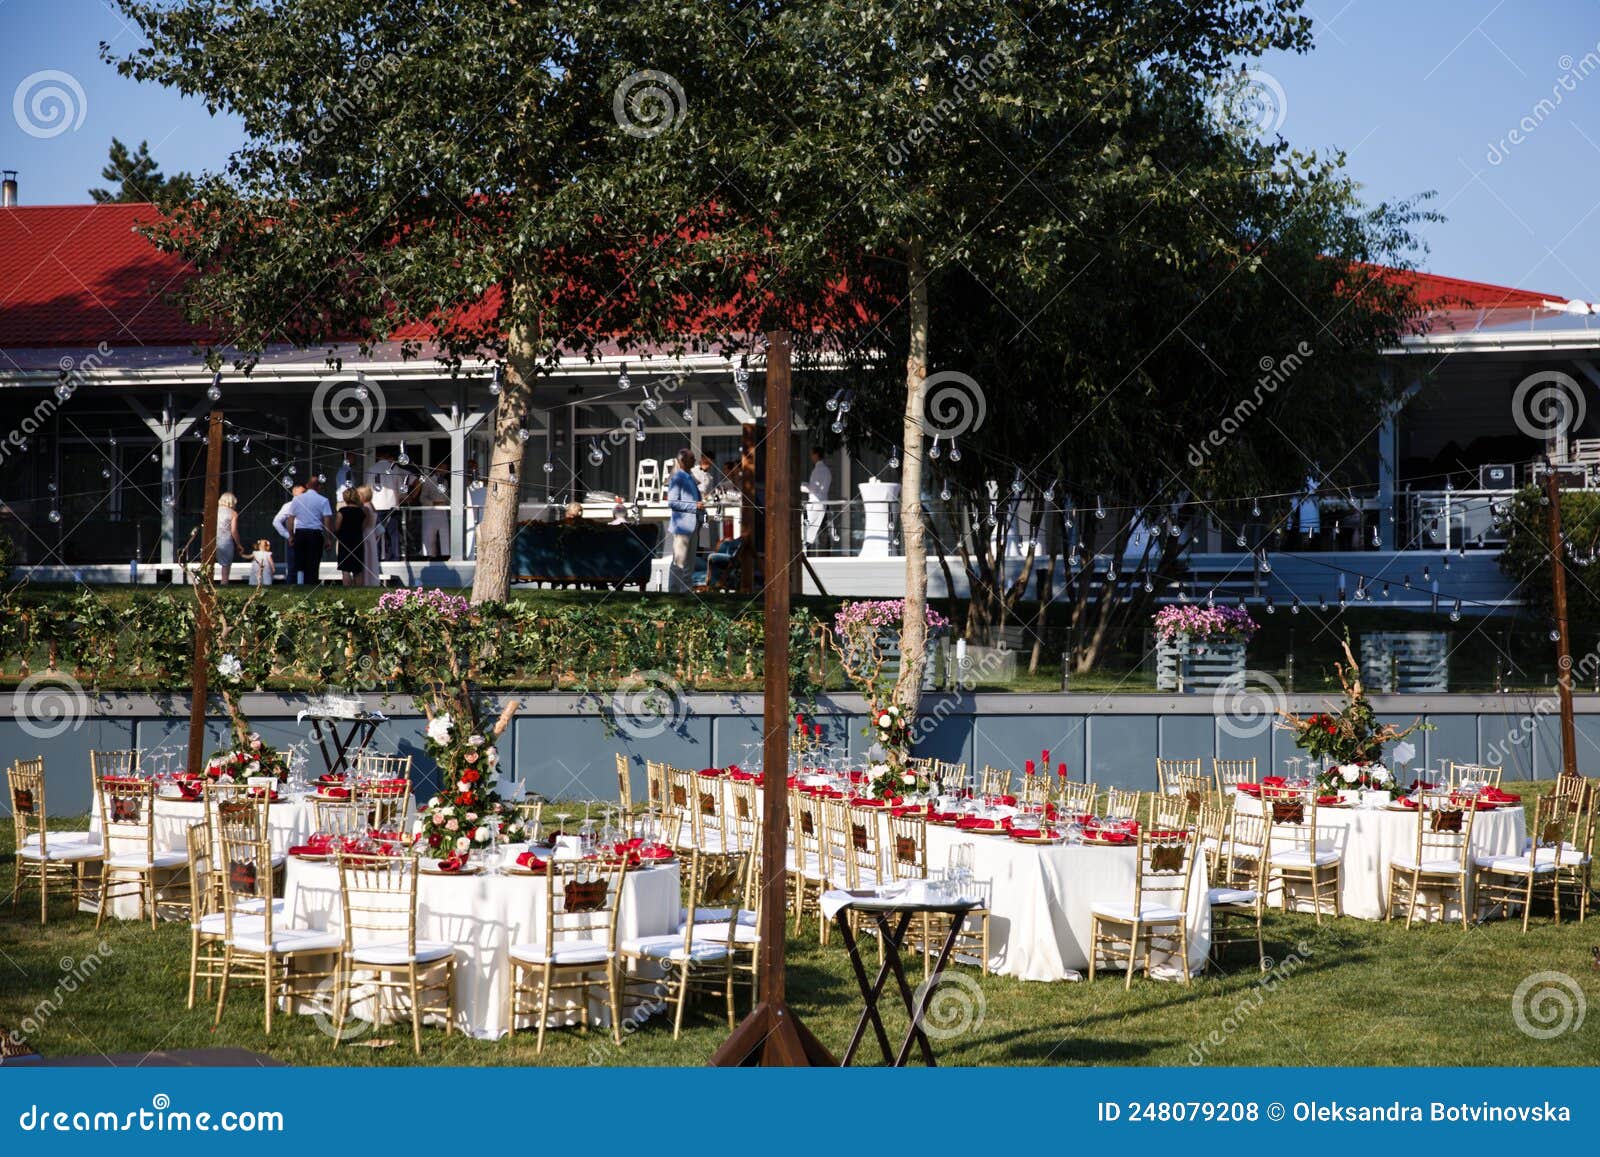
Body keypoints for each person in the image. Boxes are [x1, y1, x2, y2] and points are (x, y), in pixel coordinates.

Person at [666, 449, 703, 593]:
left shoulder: (690, 476)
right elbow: (672, 502)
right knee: (679, 562)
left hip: (693, 525)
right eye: (692, 458)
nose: (695, 461)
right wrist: (694, 506)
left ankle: (686, 593)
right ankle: (673, 593)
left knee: (690, 564)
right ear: (682, 461)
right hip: (682, 527)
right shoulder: (677, 478)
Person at [287, 477, 335, 585]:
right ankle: (312, 585)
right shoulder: (323, 500)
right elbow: (327, 521)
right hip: (315, 534)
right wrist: (328, 538)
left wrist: (291, 535)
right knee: (313, 563)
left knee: (299, 562)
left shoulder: (297, 499)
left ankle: (300, 584)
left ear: (307, 486)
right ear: (319, 487)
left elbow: (290, 519)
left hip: (300, 532)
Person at [367, 447, 406, 561]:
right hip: (392, 505)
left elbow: (368, 490)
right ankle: (395, 557)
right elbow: (401, 489)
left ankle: (377, 557)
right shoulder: (394, 469)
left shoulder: (372, 468)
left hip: (377, 506)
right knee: (393, 533)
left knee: (378, 533)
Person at [335, 486, 366, 587]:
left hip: (345, 541)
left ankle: (346, 588)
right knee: (357, 569)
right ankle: (359, 589)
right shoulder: (361, 512)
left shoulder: (342, 511)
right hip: (358, 540)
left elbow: (337, 527)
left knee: (346, 569)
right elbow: (363, 526)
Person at [418, 463, 451, 558]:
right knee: (429, 536)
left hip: (443, 512)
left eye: (446, 469)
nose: (445, 471)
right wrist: (433, 503)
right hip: (430, 513)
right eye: (443, 468)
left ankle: (446, 556)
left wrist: (447, 502)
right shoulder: (428, 480)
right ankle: (429, 556)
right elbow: (422, 498)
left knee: (445, 535)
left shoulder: (445, 482)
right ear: (437, 468)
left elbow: (447, 497)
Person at [801, 446, 831, 548]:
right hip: (822, 504)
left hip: (815, 504)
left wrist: (799, 486)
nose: (811, 457)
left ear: (816, 455)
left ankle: (803, 553)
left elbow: (813, 488)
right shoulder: (826, 470)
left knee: (806, 532)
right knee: (811, 533)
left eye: (812, 454)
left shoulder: (819, 470)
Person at [272, 484, 303, 583]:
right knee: (293, 566)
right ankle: (291, 588)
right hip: (294, 536)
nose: (305, 495)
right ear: (295, 493)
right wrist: (288, 535)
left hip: (306, 535)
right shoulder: (289, 505)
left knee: (306, 564)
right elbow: (276, 522)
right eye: (302, 493)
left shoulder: (308, 505)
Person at [214, 492, 245, 584]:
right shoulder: (233, 513)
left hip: (212, 540)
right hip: (225, 542)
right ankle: (224, 585)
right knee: (226, 566)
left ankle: (207, 586)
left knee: (208, 565)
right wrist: (239, 544)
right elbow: (234, 531)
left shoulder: (213, 511)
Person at [358, 485, 381, 587]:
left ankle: (367, 582)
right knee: (371, 559)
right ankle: (371, 581)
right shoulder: (371, 506)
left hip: (366, 534)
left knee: (366, 559)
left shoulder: (365, 508)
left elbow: (364, 523)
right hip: (371, 534)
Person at [465, 458, 486, 559]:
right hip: (467, 514)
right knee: (469, 537)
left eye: (475, 468)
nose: (473, 470)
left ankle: (482, 557)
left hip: (481, 513)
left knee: (481, 537)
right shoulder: (463, 483)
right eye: (470, 468)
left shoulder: (482, 483)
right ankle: (469, 557)